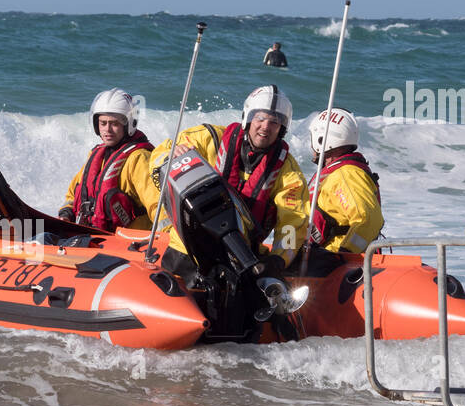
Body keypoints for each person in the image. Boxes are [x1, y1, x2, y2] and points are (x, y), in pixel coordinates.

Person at [148, 85, 308, 340]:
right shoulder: (208, 137)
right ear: (248, 118)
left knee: (238, 332)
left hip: (240, 255)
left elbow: (293, 222)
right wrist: (169, 158)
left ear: (282, 129)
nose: (266, 126)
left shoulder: (288, 171)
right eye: (261, 118)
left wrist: (278, 260)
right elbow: (159, 154)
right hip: (186, 247)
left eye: (275, 121)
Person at [59, 88, 160, 231]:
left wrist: (167, 240)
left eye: (114, 123)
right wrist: (66, 214)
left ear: (128, 125)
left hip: (130, 244)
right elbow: (72, 195)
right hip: (94, 236)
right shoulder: (95, 155)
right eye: (103, 123)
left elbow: (157, 204)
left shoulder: (139, 158)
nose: (107, 129)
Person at [305, 108, 383, 254]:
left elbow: (368, 220)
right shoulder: (340, 173)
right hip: (320, 255)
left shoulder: (346, 175)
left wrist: (346, 253)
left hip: (333, 261)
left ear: (322, 139)